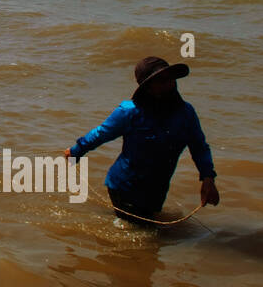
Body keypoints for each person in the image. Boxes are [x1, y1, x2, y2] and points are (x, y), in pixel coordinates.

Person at [65, 57, 220, 224]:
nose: (169, 84)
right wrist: (76, 151)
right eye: (161, 80)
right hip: (125, 188)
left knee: (147, 230)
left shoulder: (186, 113)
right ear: (147, 87)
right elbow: (101, 134)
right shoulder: (129, 112)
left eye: (170, 78)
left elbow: (199, 147)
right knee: (141, 239)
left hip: (156, 191)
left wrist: (208, 178)